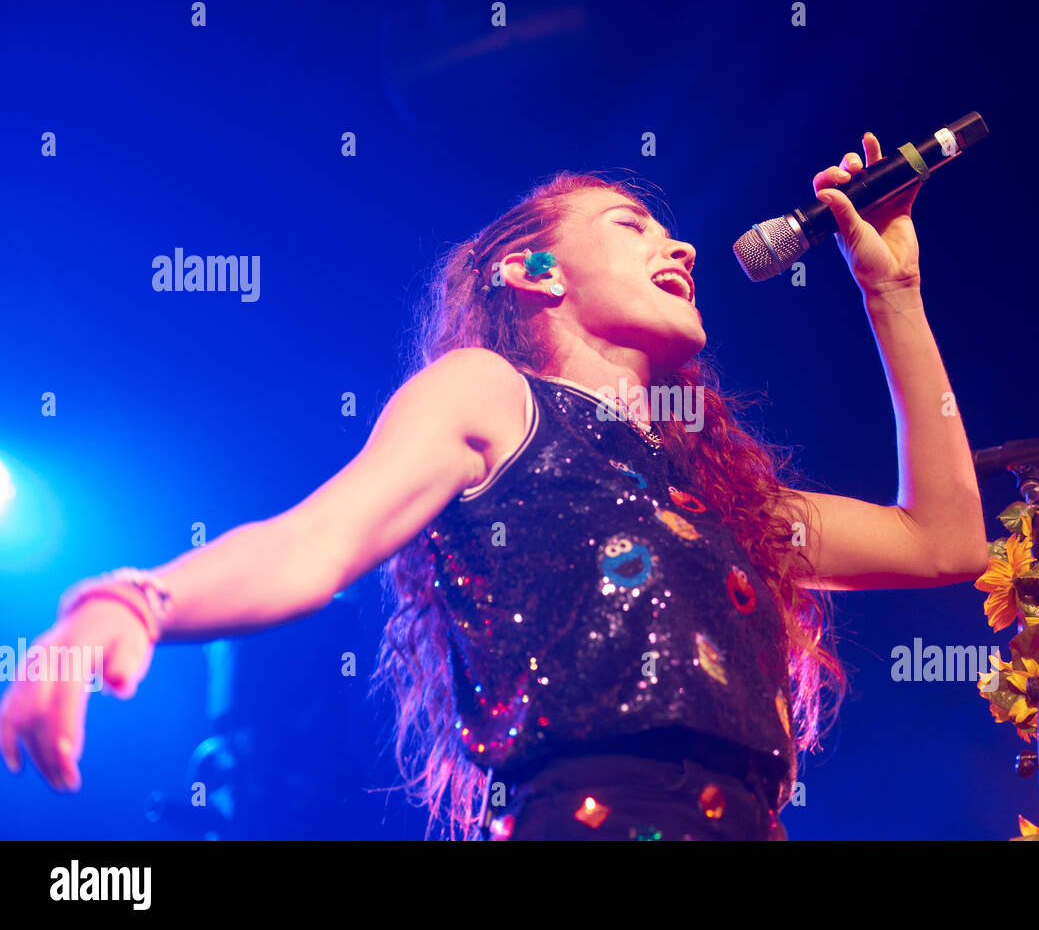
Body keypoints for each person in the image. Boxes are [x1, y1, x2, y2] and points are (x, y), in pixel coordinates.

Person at [0, 132, 987, 840]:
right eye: (631, 225)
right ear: (534, 270)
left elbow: (943, 543)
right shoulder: (492, 397)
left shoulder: (717, 492)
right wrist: (126, 604)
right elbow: (313, 542)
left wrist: (890, 289)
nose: (677, 247)